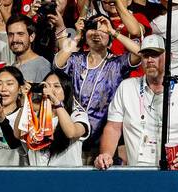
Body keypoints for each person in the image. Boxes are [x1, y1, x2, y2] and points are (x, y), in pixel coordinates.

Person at [96, 36, 178, 169]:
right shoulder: (126, 87)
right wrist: (106, 154)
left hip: (175, 173)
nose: (150, 60)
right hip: (137, 173)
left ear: (169, 57)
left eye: (155, 55)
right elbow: (113, 127)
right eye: (146, 55)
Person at [53, 12, 138, 155]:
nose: (97, 33)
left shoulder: (117, 63)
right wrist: (78, 36)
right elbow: (57, 63)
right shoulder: (76, 59)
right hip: (71, 135)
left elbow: (140, 52)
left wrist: (113, 31)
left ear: (110, 38)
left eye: (102, 29)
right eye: (92, 28)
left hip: (103, 139)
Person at [19, 69, 91, 166]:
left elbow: (71, 133)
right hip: (38, 177)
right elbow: (18, 134)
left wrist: (56, 102)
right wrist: (24, 100)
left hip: (67, 178)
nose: (50, 90)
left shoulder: (77, 115)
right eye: (46, 86)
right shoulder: (34, 116)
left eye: (56, 86)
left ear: (66, 90)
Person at [3, 14, 52, 86]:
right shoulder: (12, 67)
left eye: (20, 34)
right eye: (11, 34)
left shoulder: (42, 66)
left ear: (31, 37)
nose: (14, 39)